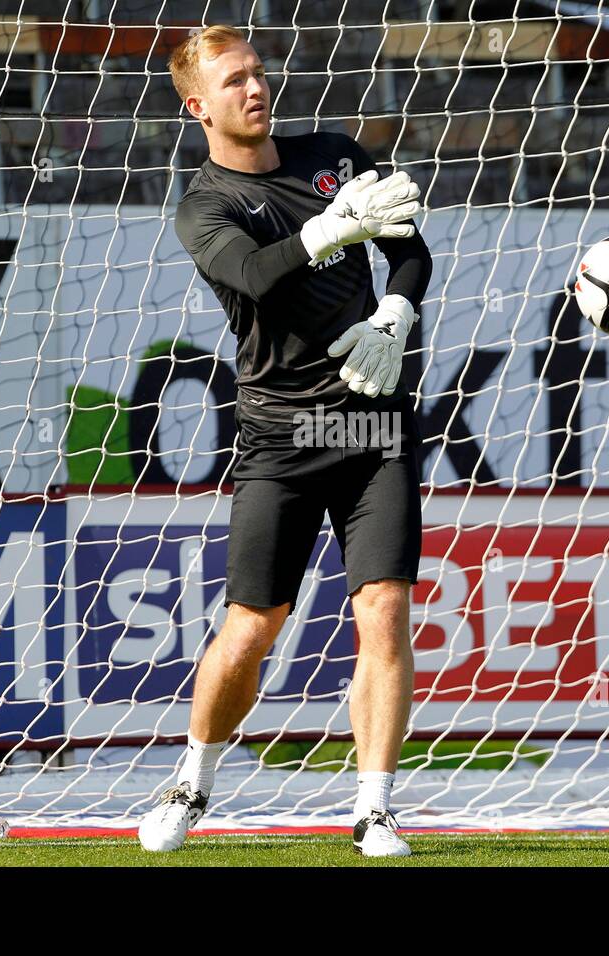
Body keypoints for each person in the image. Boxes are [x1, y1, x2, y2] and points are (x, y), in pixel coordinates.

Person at [138, 24, 432, 858]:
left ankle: (374, 808)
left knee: (385, 609)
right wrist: (332, 230)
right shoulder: (205, 204)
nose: (255, 89)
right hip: (280, 435)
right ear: (197, 104)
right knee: (253, 624)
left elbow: (411, 251)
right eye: (234, 81)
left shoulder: (333, 152)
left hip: (375, 423)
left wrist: (396, 310)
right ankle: (193, 781)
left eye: (260, 74)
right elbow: (257, 277)